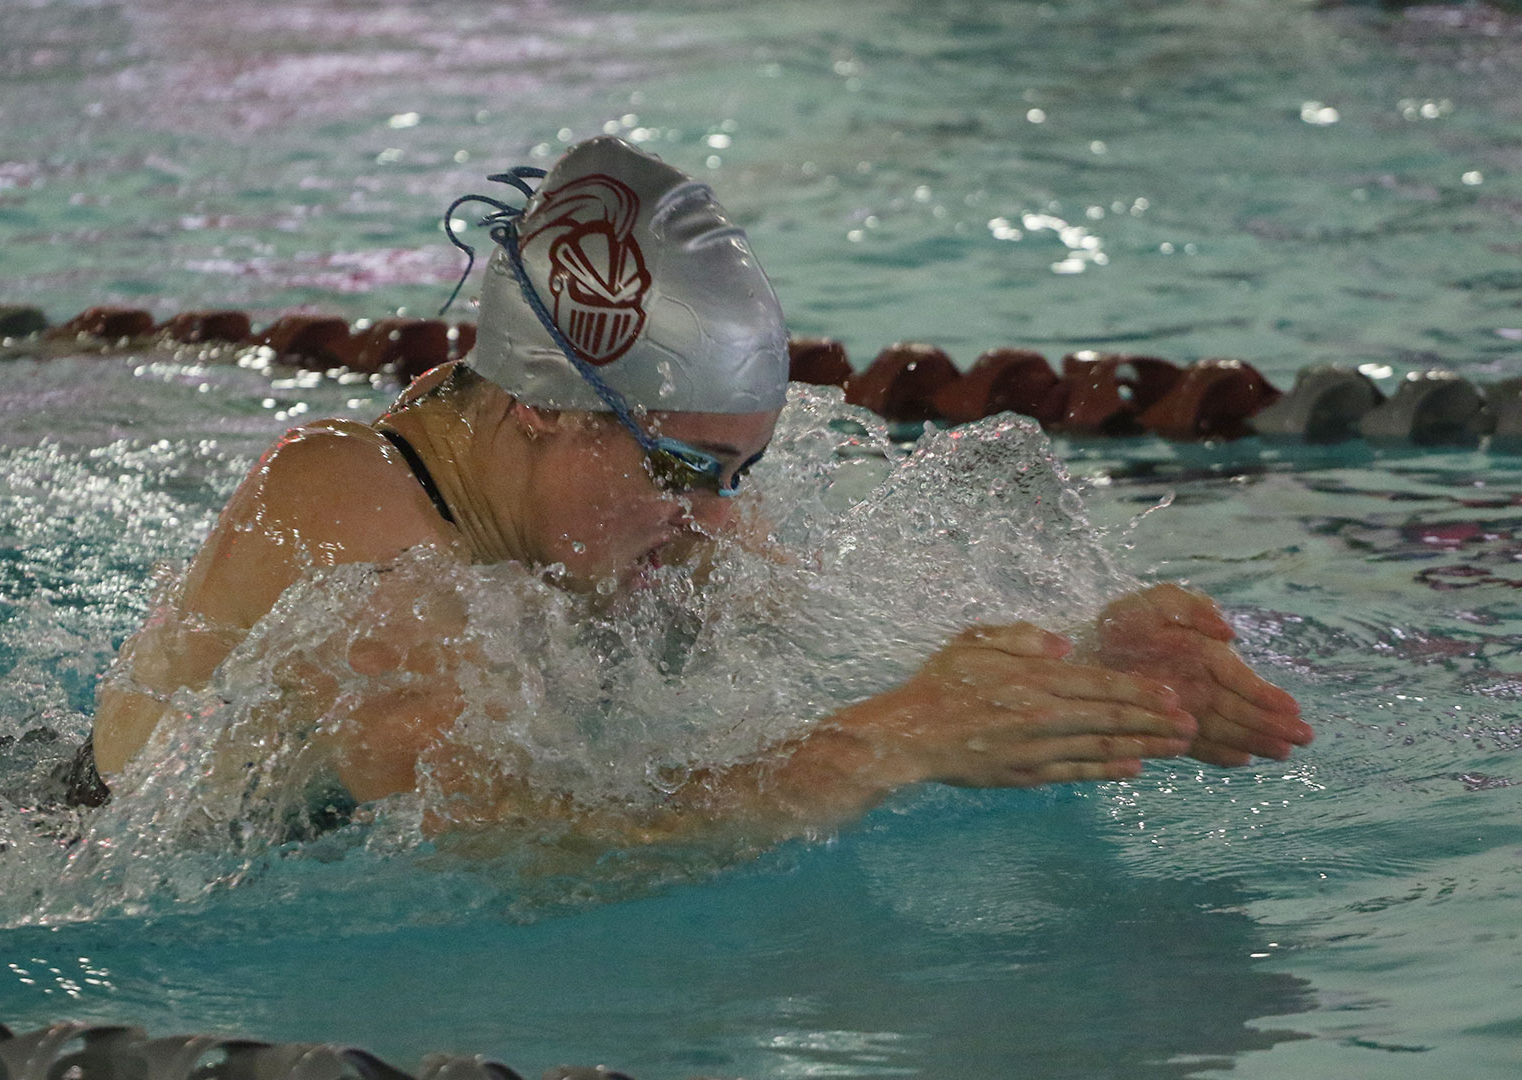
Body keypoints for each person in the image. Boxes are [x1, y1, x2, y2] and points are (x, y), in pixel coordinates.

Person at [83, 136, 1311, 841]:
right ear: (537, 404)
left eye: (740, 472)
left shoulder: (638, 511)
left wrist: (1089, 680)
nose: (710, 517)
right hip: (47, 866)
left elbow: (849, 647)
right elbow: (499, 844)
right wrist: (878, 751)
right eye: (680, 468)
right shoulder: (352, 515)